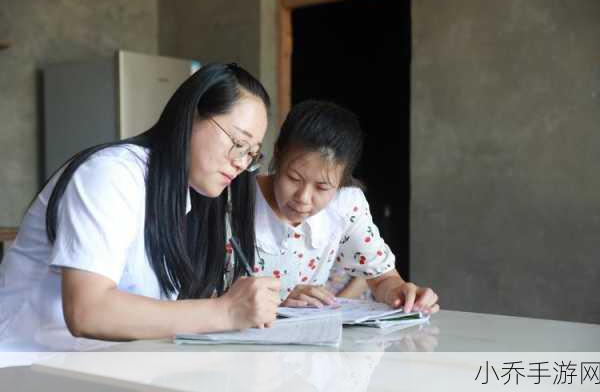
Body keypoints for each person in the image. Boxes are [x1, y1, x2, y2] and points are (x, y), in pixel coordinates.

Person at [0, 63, 281, 351]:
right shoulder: (111, 173)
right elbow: (88, 311)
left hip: (97, 366)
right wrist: (226, 311)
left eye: (251, 153)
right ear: (192, 116)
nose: (240, 162)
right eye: (238, 142)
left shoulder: (185, 197)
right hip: (23, 364)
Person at [253, 100, 439, 313]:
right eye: (293, 178)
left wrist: (400, 293)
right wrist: (279, 300)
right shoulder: (236, 198)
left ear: (342, 180)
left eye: (322, 187)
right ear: (278, 154)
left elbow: (381, 278)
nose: (303, 198)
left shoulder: (345, 205)